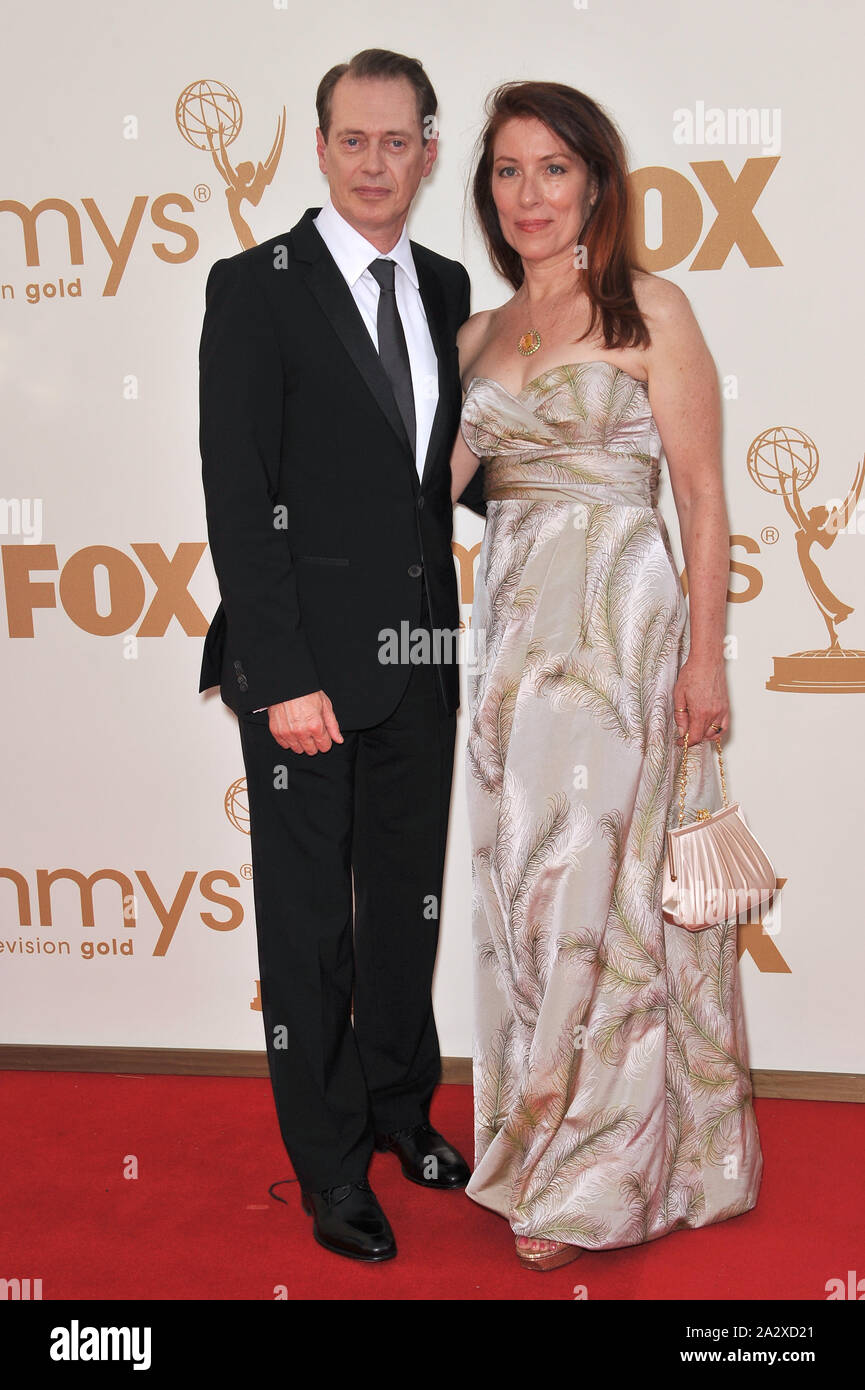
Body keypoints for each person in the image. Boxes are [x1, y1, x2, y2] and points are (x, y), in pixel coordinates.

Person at [450, 81, 762, 1271]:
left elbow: (702, 497)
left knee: (602, 894)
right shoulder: (479, 333)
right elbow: (428, 500)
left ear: (593, 182)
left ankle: (599, 1172)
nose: (528, 195)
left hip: (620, 636)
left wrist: (705, 657)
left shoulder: (648, 310)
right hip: (513, 648)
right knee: (527, 897)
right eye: (507, 171)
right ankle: (534, 1137)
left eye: (552, 169)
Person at [198, 48, 486, 1263]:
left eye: (399, 140)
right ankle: (328, 1168)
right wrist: (283, 675)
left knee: (401, 917)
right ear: (318, 147)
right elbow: (236, 488)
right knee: (309, 926)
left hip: (420, 658)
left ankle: (396, 1109)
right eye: (353, 141)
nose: (377, 163)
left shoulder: (446, 279)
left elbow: (443, 477)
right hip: (306, 672)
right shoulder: (255, 284)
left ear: (428, 148)